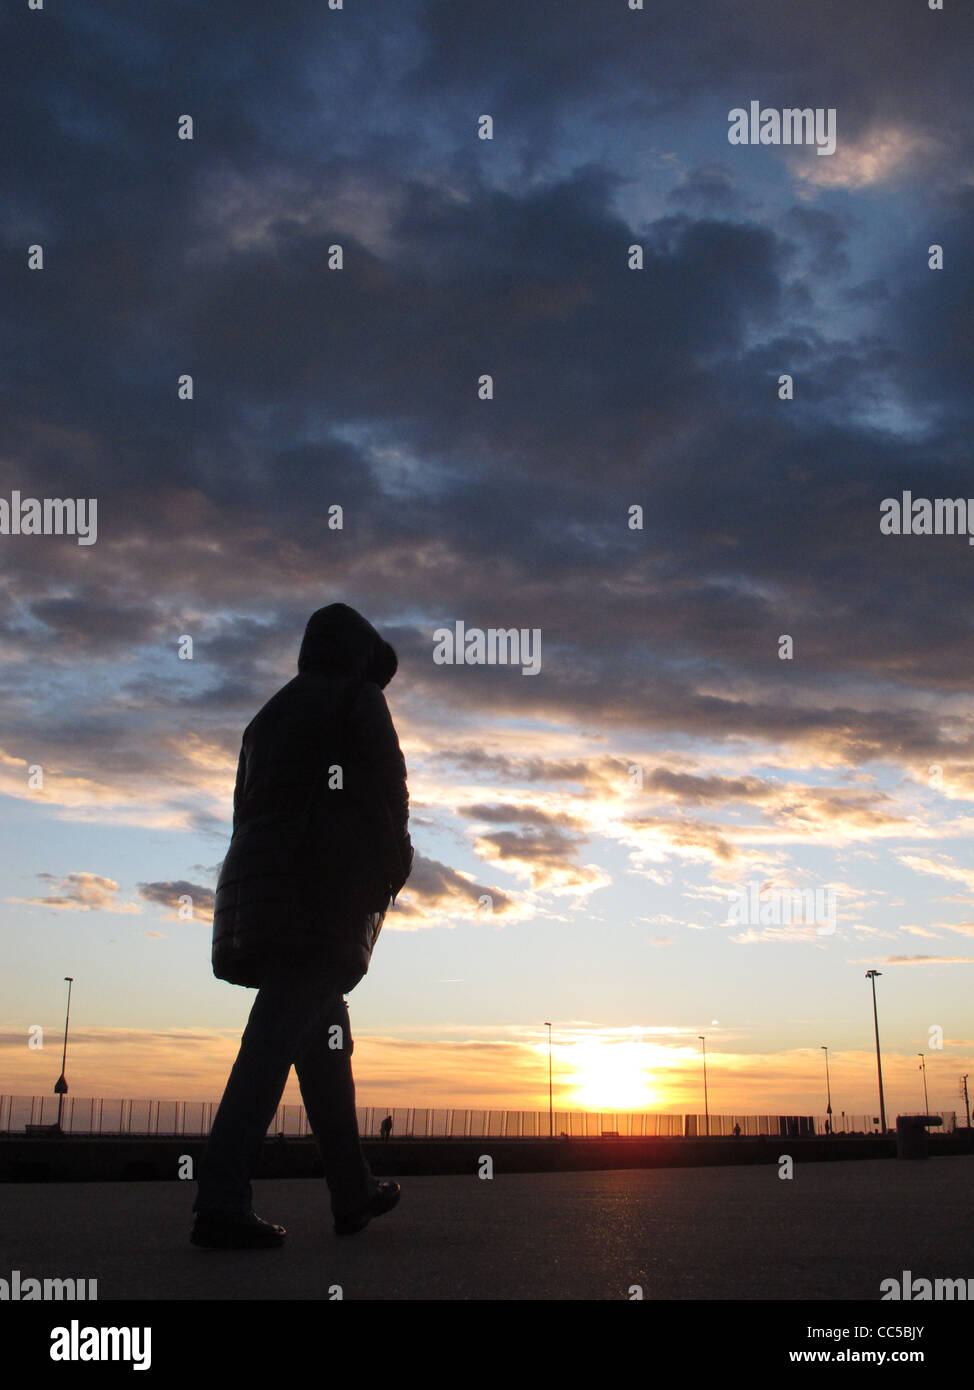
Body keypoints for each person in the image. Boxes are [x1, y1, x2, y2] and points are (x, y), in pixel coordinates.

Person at [190, 603, 413, 1248]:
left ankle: (352, 1191)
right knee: (271, 1043)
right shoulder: (357, 700)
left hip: (262, 890)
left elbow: (244, 816)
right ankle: (221, 1200)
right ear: (357, 652)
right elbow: (385, 792)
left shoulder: (267, 716)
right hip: (319, 891)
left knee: (325, 1044)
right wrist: (391, 867)